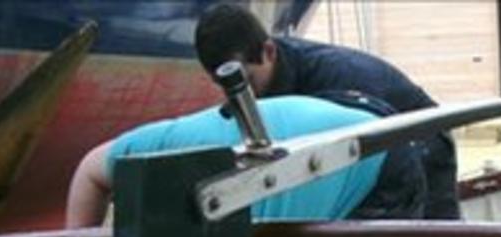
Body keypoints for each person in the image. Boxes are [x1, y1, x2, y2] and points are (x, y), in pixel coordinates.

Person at [194, 2, 460, 219]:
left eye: (247, 82)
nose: (242, 96)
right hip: (374, 144)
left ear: (269, 51)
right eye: (226, 87)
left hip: (421, 139)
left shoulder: (340, 79)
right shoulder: (268, 85)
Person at [65, 94, 420, 227]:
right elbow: (90, 172)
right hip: (312, 116)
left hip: (378, 153)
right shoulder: (156, 145)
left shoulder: (272, 213)